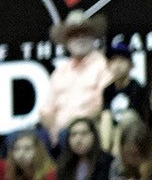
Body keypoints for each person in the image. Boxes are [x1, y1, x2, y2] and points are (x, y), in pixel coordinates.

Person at [38, 11, 109, 139]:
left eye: (84, 32)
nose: (80, 38)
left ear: (93, 37)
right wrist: (50, 125)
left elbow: (103, 105)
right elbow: (47, 109)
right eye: (74, 34)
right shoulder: (60, 72)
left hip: (87, 130)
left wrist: (75, 126)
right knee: (20, 138)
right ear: (67, 41)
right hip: (58, 133)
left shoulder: (102, 65)